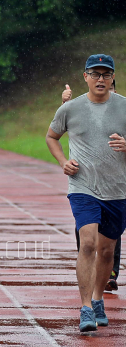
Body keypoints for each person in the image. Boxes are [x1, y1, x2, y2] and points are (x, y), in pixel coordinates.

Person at [47, 54, 126, 333]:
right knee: (88, 243)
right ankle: (85, 308)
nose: (101, 79)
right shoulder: (72, 108)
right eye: (95, 74)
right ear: (85, 76)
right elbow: (51, 136)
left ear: (113, 77)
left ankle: (98, 298)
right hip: (83, 187)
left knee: (107, 250)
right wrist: (62, 162)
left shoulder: (124, 106)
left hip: (118, 189)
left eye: (106, 74)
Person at [63, 80, 122, 292]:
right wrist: (65, 104)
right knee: (87, 238)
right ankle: (88, 274)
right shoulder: (81, 109)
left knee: (109, 242)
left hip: (115, 186)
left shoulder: (121, 110)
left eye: (111, 87)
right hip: (85, 184)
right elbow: (58, 130)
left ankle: (110, 272)